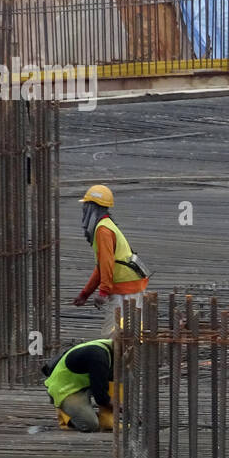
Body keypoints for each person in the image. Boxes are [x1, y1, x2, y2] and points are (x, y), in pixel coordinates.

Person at [74, 185, 149, 336]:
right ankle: (127, 358)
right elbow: (102, 265)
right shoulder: (106, 225)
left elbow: (107, 264)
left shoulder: (103, 230)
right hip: (130, 285)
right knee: (129, 334)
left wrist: (103, 292)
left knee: (115, 335)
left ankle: (119, 359)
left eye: (86, 205)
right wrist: (85, 293)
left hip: (126, 289)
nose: (83, 209)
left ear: (92, 207)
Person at [42, 338, 114, 432]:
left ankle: (104, 418)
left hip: (83, 384)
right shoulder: (99, 357)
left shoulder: (110, 347)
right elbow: (101, 398)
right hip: (65, 390)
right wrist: (124, 410)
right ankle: (65, 414)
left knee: (113, 379)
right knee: (90, 424)